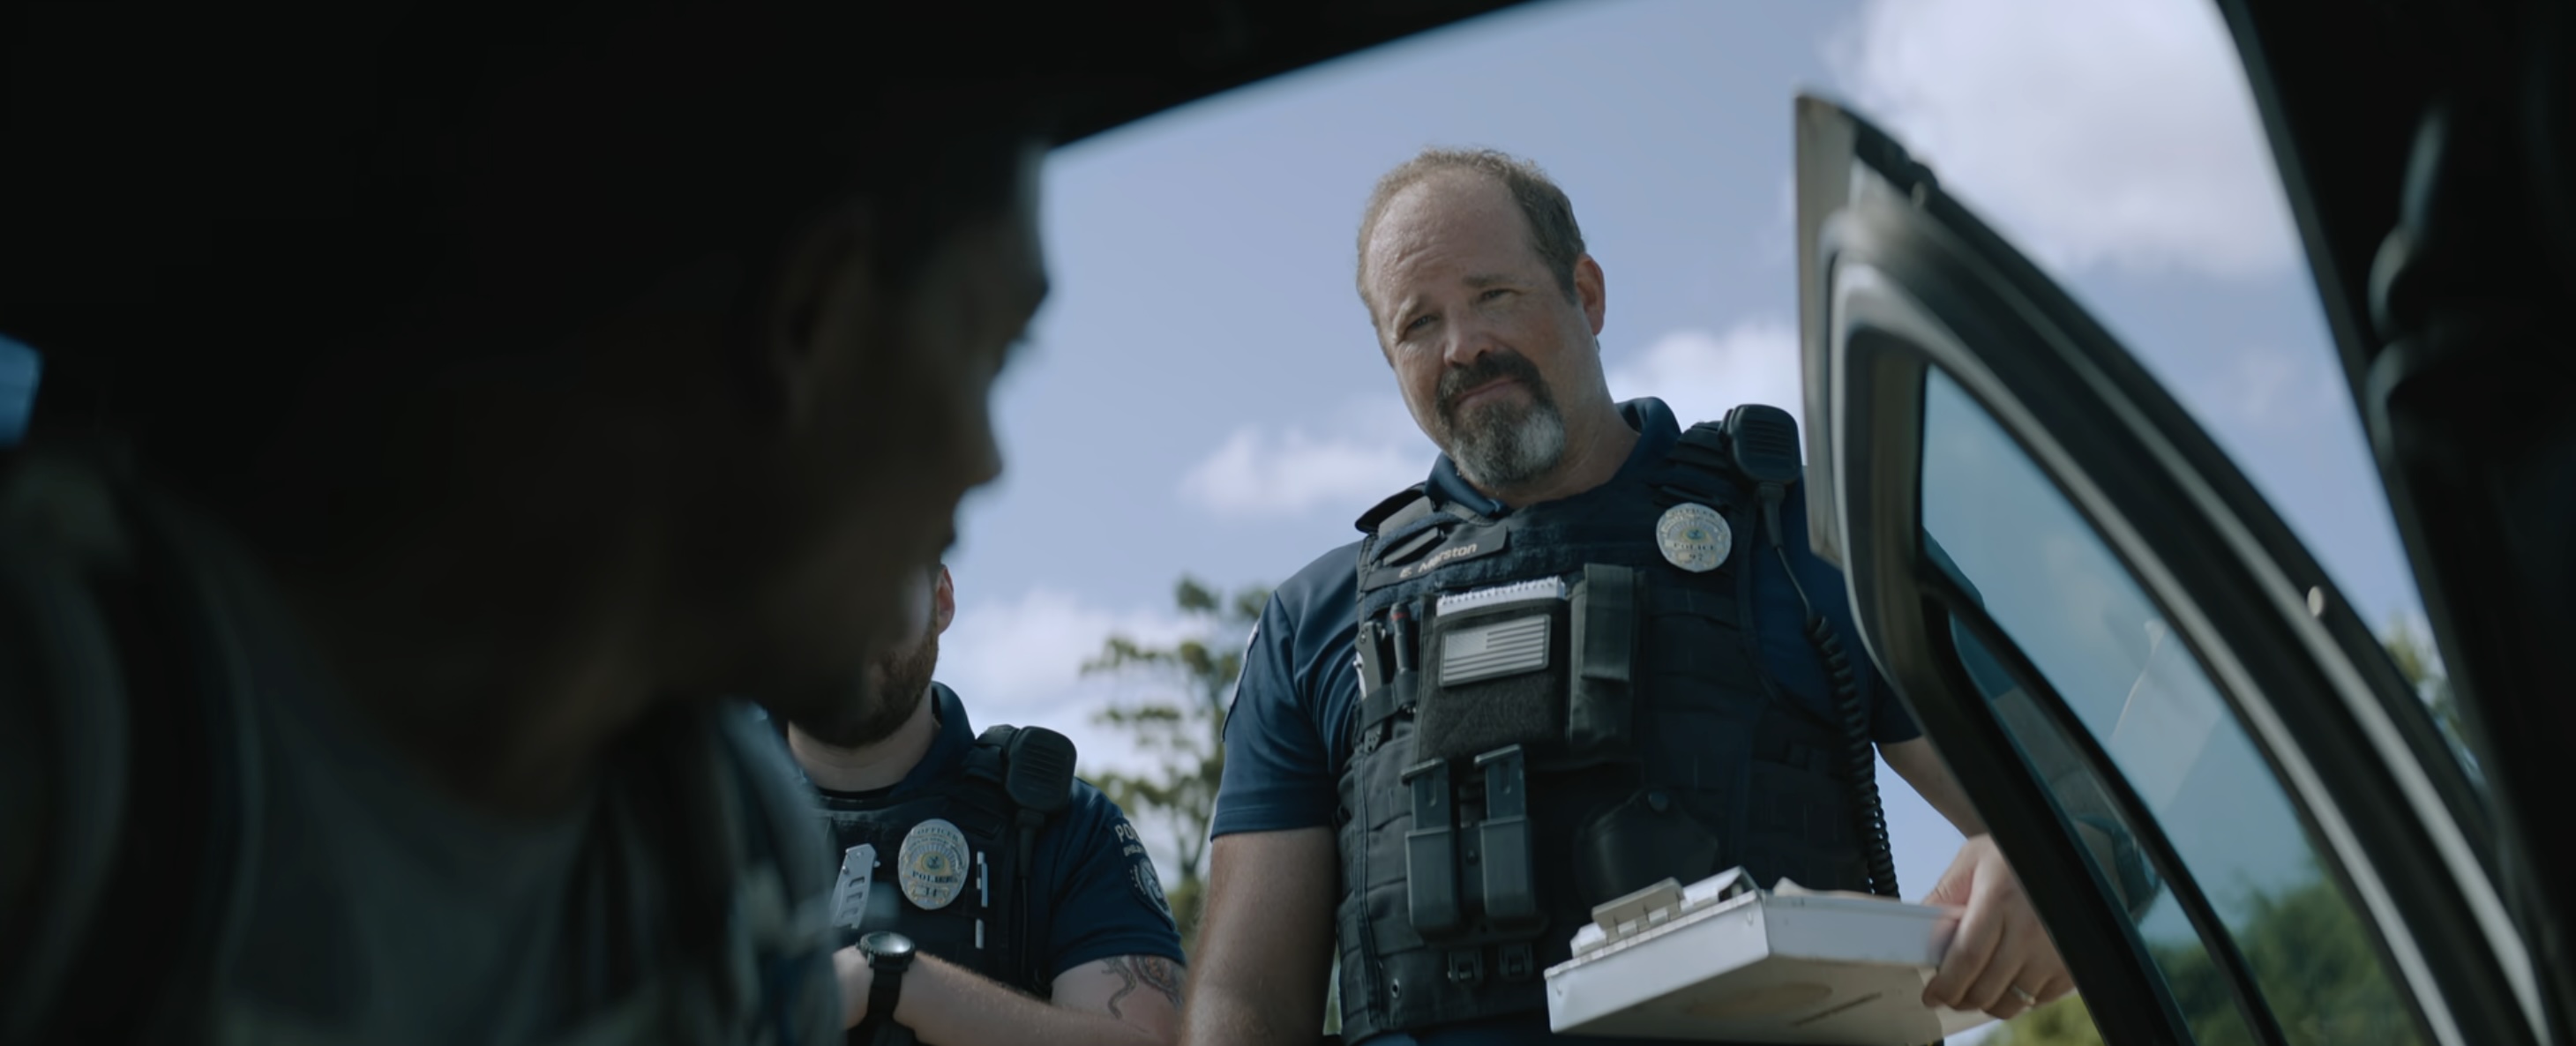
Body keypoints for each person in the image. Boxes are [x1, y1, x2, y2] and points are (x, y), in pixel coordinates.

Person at [0, 10, 1046, 1044]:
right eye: (988, 356)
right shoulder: (67, 728)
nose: (987, 462)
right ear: (808, 314)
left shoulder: (731, 851)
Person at [1180, 148, 2074, 1046]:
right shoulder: (1313, 622)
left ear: (1587, 293)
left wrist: (2039, 868)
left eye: (1494, 295)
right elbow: (1242, 1006)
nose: (1463, 345)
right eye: (1418, 323)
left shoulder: (1809, 533)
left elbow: (2077, 809)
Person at [774, 564, 1187, 1045]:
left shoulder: (1065, 828)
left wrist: (894, 982)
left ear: (941, 600)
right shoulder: (697, 812)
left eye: (880, 574)